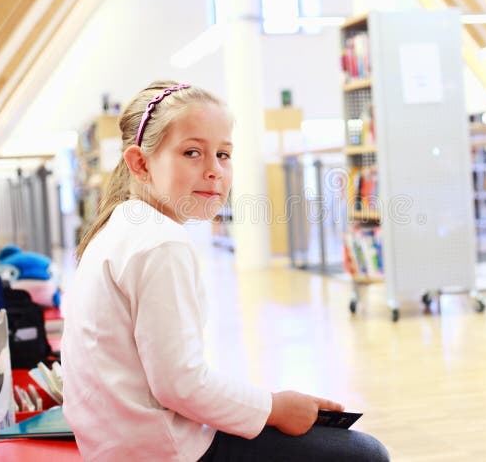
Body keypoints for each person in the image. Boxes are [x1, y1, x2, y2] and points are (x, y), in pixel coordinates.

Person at [62, 81, 390, 461]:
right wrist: (274, 408)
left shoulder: (120, 226)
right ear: (141, 163)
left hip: (120, 446)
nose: (214, 170)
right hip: (165, 450)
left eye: (223, 154)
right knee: (364, 454)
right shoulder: (160, 243)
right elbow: (180, 385)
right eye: (191, 152)